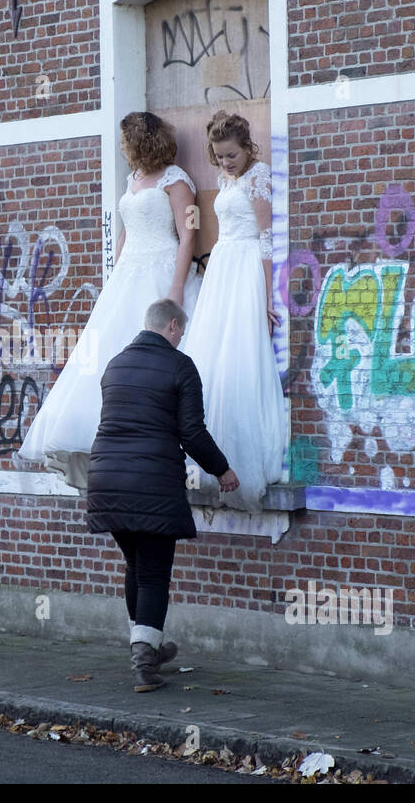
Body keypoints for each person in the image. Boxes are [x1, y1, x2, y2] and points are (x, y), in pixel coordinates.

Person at [17, 111, 202, 483]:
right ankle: (105, 441)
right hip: (128, 273)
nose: (121, 148)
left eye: (124, 141)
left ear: (140, 140)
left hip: (162, 269)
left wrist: (178, 285)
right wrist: (115, 274)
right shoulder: (132, 179)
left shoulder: (176, 180)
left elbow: (189, 234)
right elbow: (126, 232)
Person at [86, 298, 239, 692]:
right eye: (181, 332)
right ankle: (143, 663)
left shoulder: (115, 364)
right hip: (150, 483)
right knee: (153, 573)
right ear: (172, 325)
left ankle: (147, 646)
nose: (181, 339)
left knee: (136, 566)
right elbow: (191, 432)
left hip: (106, 480)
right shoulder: (179, 366)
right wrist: (222, 469)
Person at [181, 111, 288, 510]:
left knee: (241, 352)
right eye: (219, 157)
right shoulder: (227, 178)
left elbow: (265, 239)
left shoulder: (259, 176)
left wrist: (264, 298)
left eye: (231, 155)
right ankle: (207, 461)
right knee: (211, 354)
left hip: (245, 267)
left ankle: (246, 459)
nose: (225, 163)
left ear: (247, 147)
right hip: (222, 267)